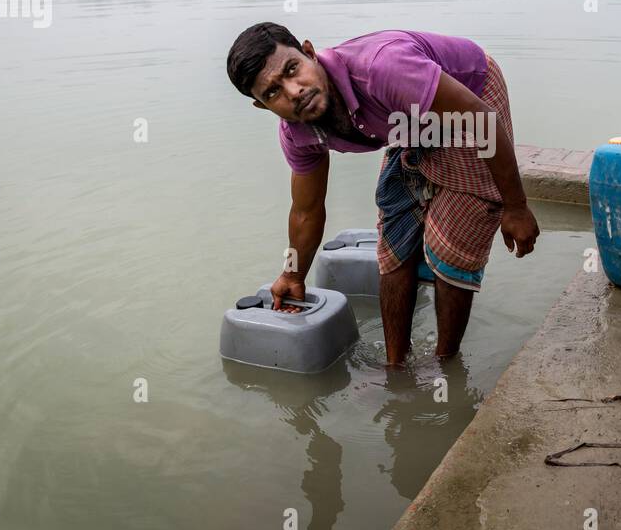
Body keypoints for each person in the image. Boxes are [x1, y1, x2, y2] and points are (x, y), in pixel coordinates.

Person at [226, 23, 539, 366]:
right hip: (408, 117)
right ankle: (396, 366)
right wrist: (293, 273)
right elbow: (306, 210)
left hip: (470, 98)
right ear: (262, 106)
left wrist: (516, 206)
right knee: (394, 241)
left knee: (452, 243)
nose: (294, 91)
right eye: (272, 93)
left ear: (309, 52)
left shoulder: (381, 69)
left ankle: (444, 364)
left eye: (292, 69)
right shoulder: (298, 133)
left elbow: (480, 119)